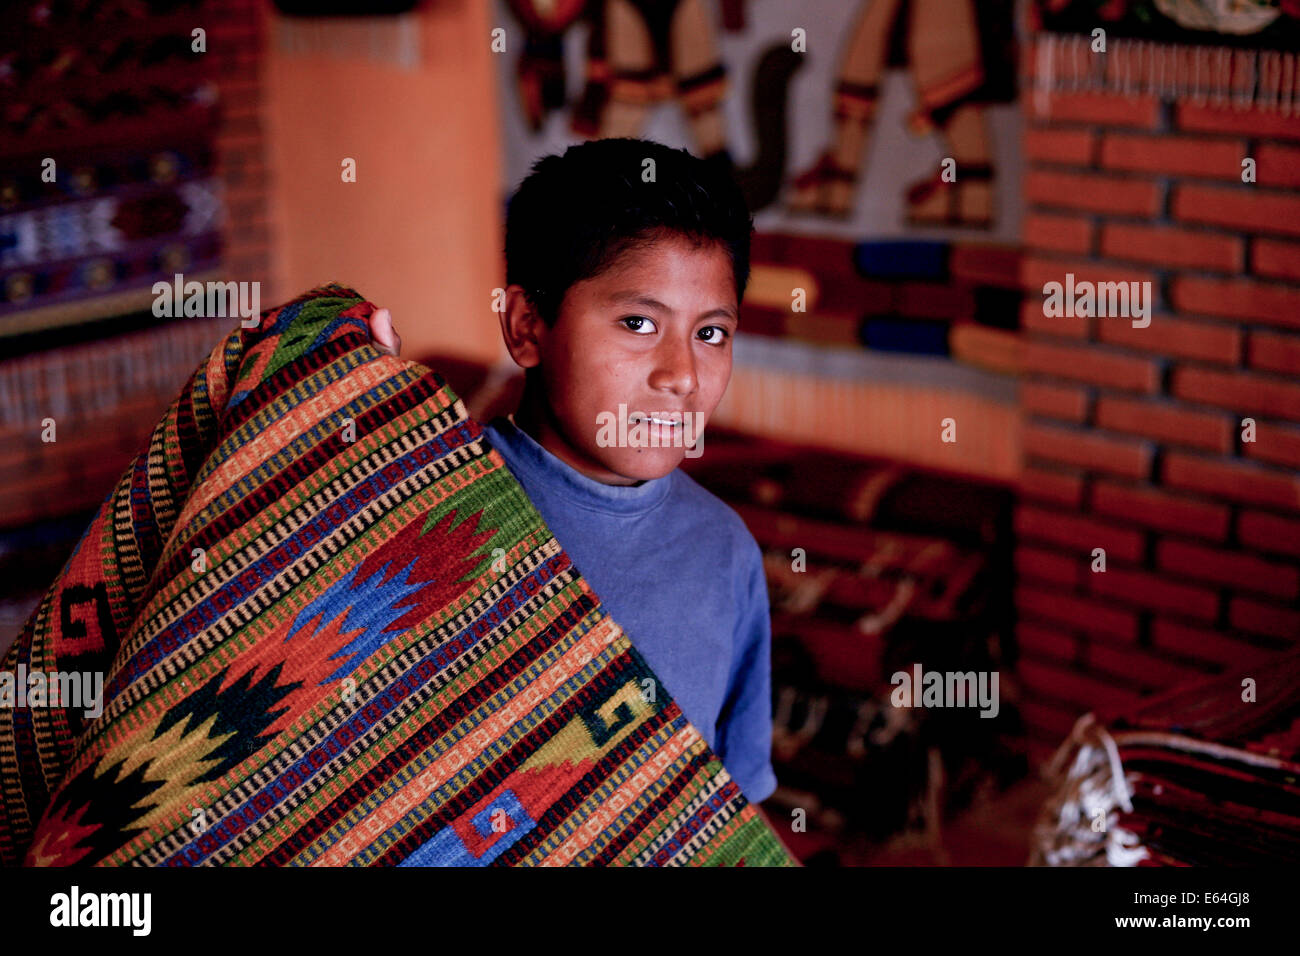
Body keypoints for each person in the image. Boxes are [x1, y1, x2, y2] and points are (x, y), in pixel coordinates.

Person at [366, 138, 777, 806]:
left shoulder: (724, 552)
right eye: (639, 322)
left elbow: (731, 820)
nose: (682, 375)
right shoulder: (428, 510)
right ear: (528, 326)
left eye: (711, 333)